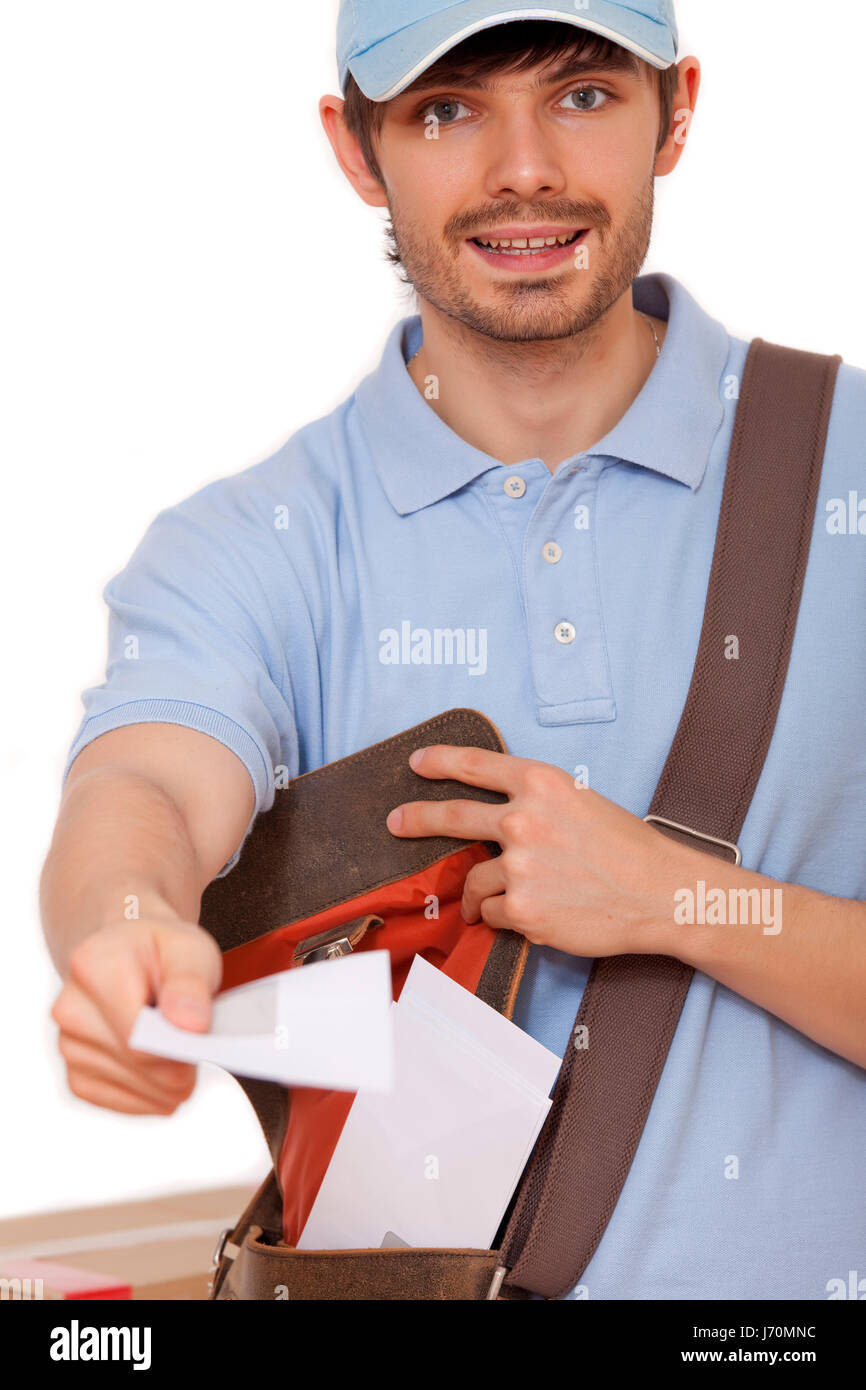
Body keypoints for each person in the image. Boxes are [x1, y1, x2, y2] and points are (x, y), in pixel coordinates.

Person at [41, 1, 866, 1300]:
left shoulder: (848, 476)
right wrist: (129, 924)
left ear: (678, 110)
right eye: (444, 109)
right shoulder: (258, 540)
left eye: (581, 95)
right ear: (356, 149)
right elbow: (144, 778)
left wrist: (678, 901)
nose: (522, 166)